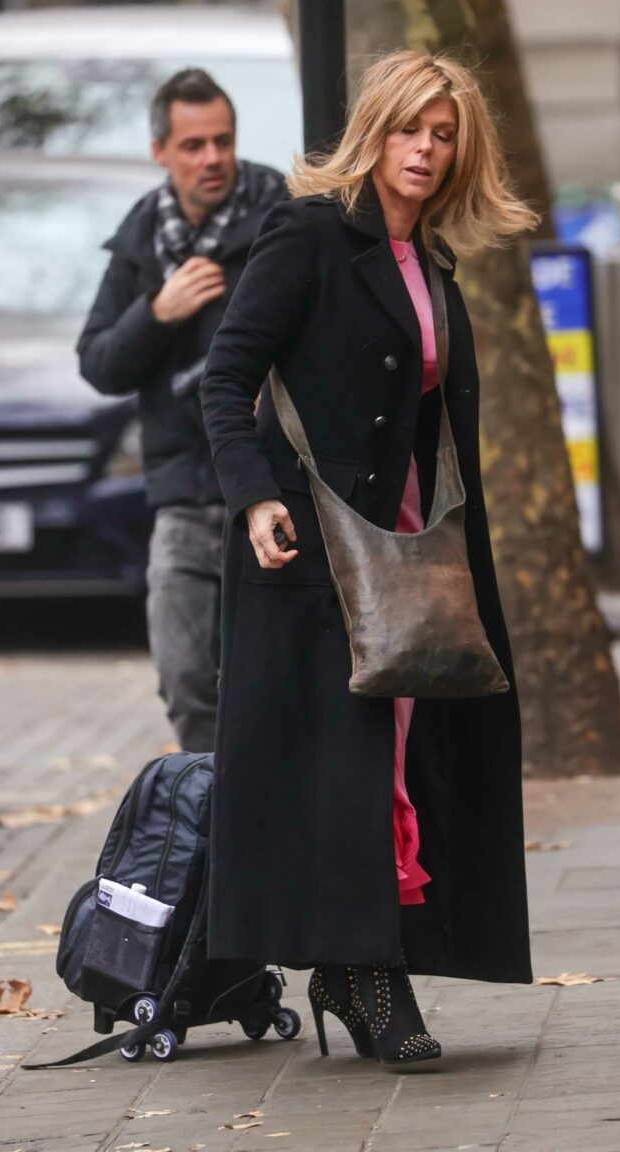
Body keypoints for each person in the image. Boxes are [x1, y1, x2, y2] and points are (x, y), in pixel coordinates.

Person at [200, 50, 539, 1064]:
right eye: (410, 129)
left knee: (409, 757)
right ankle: (363, 975)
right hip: (314, 556)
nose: (426, 151)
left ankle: (377, 959)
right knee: (350, 771)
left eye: (444, 136)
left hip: (415, 556)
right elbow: (226, 377)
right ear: (375, 129)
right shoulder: (307, 235)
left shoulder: (431, 255)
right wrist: (257, 498)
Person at [77, 69, 287, 751]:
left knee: (279, 684)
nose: (213, 159)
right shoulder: (143, 236)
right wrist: (157, 313)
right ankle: (212, 825)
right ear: (160, 151)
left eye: (222, 141)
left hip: (273, 491)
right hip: (185, 498)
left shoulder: (280, 216)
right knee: (186, 676)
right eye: (194, 145)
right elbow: (98, 362)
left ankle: (274, 827)